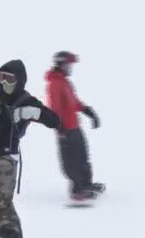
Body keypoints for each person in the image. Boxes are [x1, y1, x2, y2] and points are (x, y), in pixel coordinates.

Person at [0, 60, 61, 238]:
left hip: (4, 156)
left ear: (19, 81)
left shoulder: (24, 100)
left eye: (10, 79)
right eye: (1, 77)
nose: (4, 83)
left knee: (0, 201)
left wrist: (34, 113)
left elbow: (54, 120)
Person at [44, 51, 104, 202]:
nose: (70, 68)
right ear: (60, 65)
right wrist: (60, 128)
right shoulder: (55, 84)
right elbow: (55, 108)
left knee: (82, 155)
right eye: (68, 65)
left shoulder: (64, 82)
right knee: (71, 160)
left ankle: (86, 184)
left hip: (74, 127)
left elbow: (74, 102)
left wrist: (88, 112)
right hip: (65, 129)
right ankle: (77, 189)